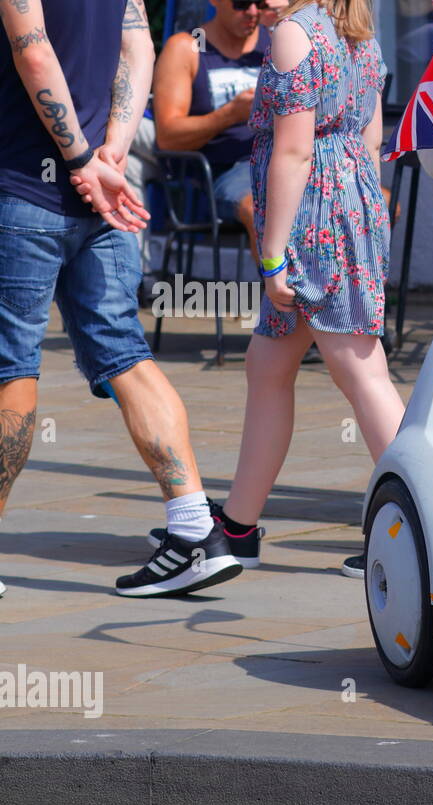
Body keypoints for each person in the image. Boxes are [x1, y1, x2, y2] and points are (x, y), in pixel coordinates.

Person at [0, 0, 242, 598]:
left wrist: (83, 160)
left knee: (12, 368)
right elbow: (138, 44)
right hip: (99, 193)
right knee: (125, 355)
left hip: (26, 188)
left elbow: (34, 49)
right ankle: (194, 532)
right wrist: (112, 153)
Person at [191, 0, 402, 579]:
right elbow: (370, 137)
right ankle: (237, 525)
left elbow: (293, 150)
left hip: (311, 216)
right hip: (349, 201)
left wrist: (273, 254)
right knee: (269, 366)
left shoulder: (293, 34)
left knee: (361, 371)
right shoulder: (356, 28)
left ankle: (424, 528)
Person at [153, 0, 274, 262]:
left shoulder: (278, 40)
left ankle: (361, 297)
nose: (253, 12)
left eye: (261, 3)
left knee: (380, 199)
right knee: (264, 210)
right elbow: (168, 136)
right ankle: (280, 300)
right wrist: (229, 114)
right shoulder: (187, 47)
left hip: (284, 157)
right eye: (241, 3)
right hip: (226, 170)